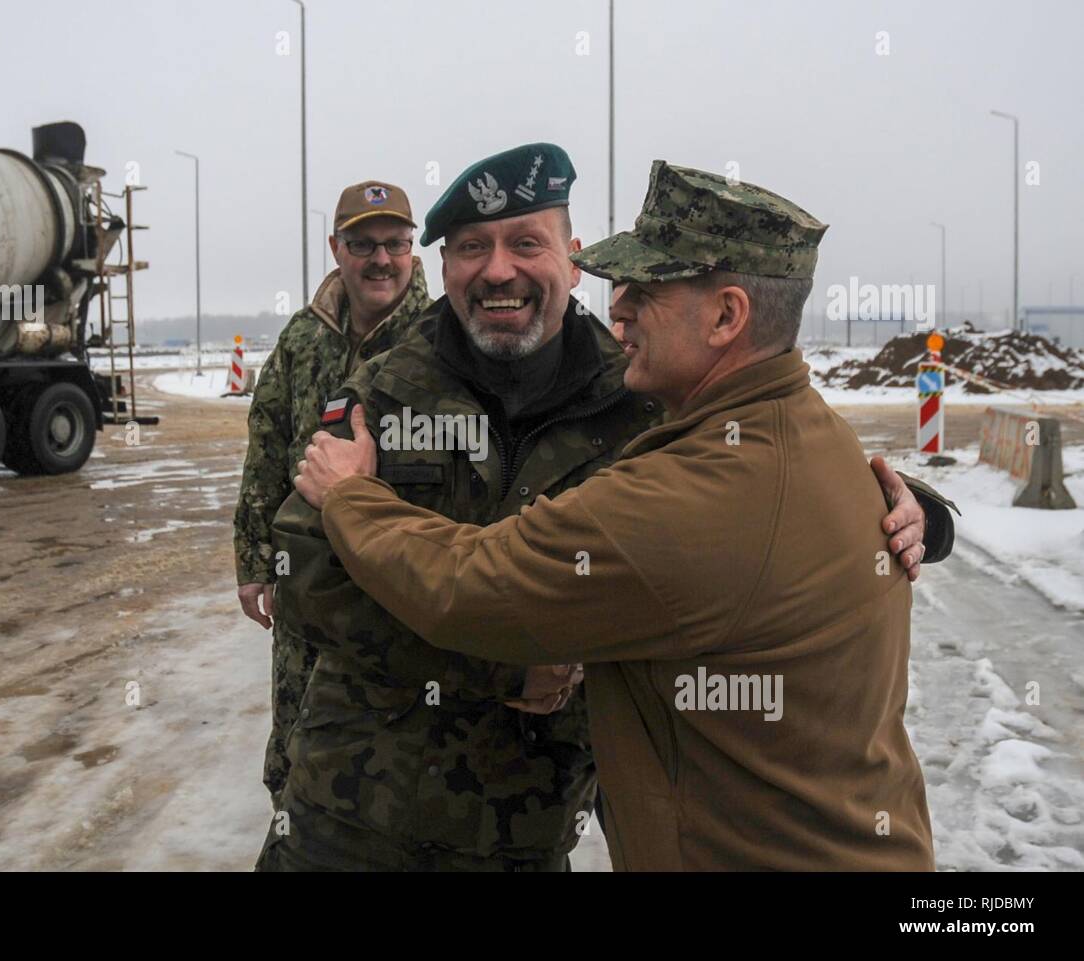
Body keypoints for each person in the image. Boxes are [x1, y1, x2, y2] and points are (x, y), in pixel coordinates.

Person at [259, 148, 952, 871]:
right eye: (471, 248)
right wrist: (505, 671)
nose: (498, 270)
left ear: (573, 256)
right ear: (445, 268)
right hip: (353, 815)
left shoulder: (647, 389)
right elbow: (305, 576)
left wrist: (912, 511)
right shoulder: (382, 392)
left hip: (527, 827)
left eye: (526, 243)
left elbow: (768, 465)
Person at [232, 180, 430, 806]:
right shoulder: (301, 338)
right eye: (363, 243)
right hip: (304, 575)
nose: (380, 259)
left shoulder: (440, 341)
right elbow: (266, 448)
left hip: (398, 580)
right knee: (296, 746)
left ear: (413, 250)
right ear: (336, 248)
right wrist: (255, 560)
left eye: (395, 244)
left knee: (395, 754)